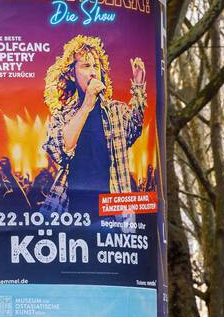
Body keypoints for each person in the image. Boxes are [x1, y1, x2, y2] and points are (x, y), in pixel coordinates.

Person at [42, 37, 146, 216]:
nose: (93, 72)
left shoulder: (116, 111)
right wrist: (87, 105)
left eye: (96, 66)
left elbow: (135, 128)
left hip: (111, 212)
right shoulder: (64, 115)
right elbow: (60, 150)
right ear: (71, 74)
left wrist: (138, 86)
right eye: (86, 66)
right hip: (71, 211)